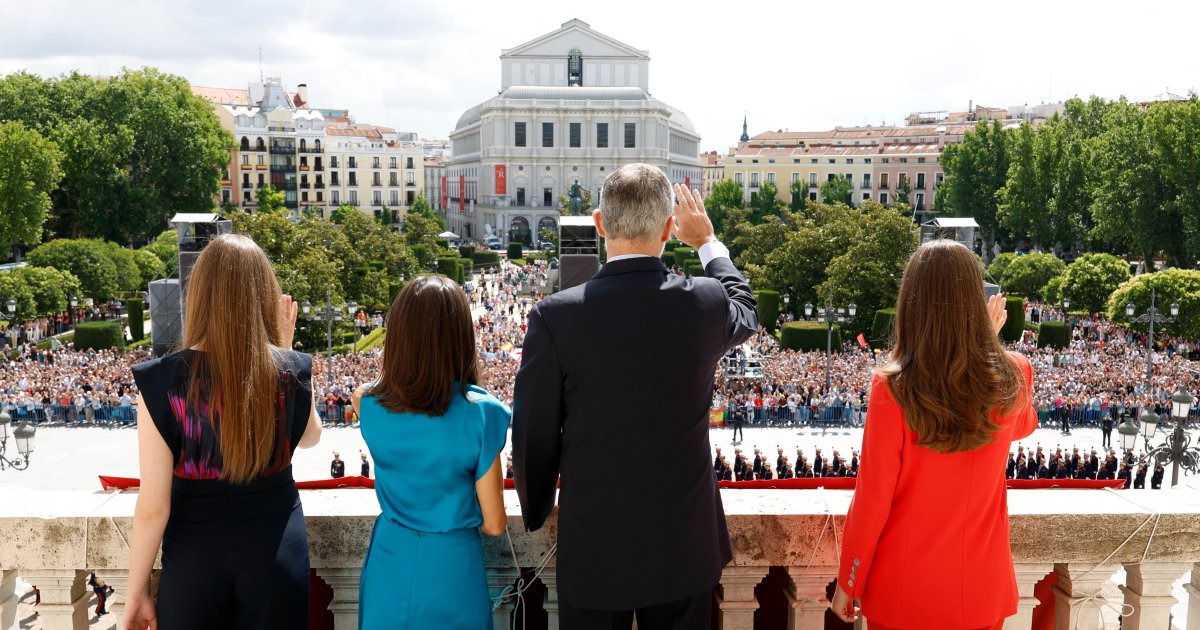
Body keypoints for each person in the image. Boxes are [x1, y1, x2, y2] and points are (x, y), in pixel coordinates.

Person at [513, 168, 757, 630]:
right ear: (670, 227)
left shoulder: (555, 317)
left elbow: (532, 433)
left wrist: (537, 509)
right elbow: (744, 307)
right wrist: (708, 243)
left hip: (594, 544)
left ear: (600, 223)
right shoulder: (705, 301)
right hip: (685, 545)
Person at [832, 240, 1036, 630]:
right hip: (980, 592)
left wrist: (850, 580)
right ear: (976, 302)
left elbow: (873, 498)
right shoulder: (1015, 372)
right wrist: (990, 344)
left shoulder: (891, 389)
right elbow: (1023, 426)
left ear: (912, 303)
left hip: (903, 594)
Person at [124, 234, 323, 630]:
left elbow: (153, 506)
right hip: (275, 549)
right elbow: (311, 435)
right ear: (264, 295)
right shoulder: (290, 369)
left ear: (199, 294)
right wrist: (284, 349)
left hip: (194, 556)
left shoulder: (160, 381)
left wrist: (136, 591)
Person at [354, 275, 509, 629]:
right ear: (460, 336)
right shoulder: (484, 413)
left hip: (389, 559)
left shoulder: (367, 401)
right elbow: (495, 523)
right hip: (453, 566)